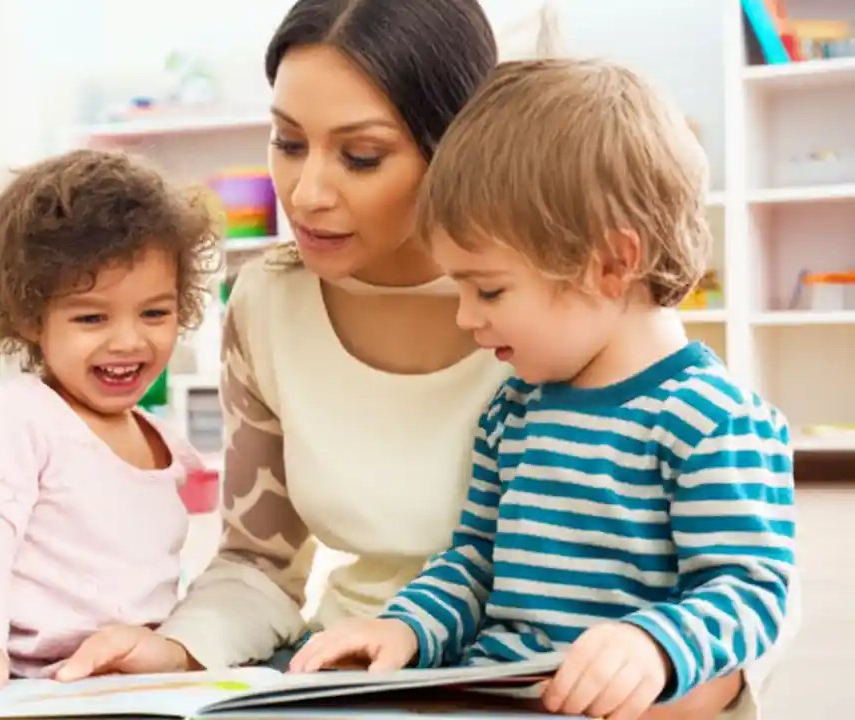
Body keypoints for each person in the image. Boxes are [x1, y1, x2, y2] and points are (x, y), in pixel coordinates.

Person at [58, 1, 796, 717]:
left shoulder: (574, 324)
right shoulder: (276, 306)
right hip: (378, 673)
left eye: (362, 155)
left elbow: (746, 579)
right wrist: (183, 648)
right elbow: (279, 560)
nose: (306, 193)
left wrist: (680, 669)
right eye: (286, 142)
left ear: (455, 148)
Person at [287, 58, 797, 720]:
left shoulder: (712, 420)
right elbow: (474, 562)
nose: (467, 316)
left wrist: (655, 647)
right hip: (496, 694)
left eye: (488, 289)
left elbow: (748, 589)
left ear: (613, 263)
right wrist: (406, 628)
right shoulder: (514, 410)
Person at [0, 149, 218, 696]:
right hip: (16, 676)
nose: (129, 339)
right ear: (31, 316)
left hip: (125, 678)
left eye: (155, 312)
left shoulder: (159, 438)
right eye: (92, 317)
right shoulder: (11, 418)